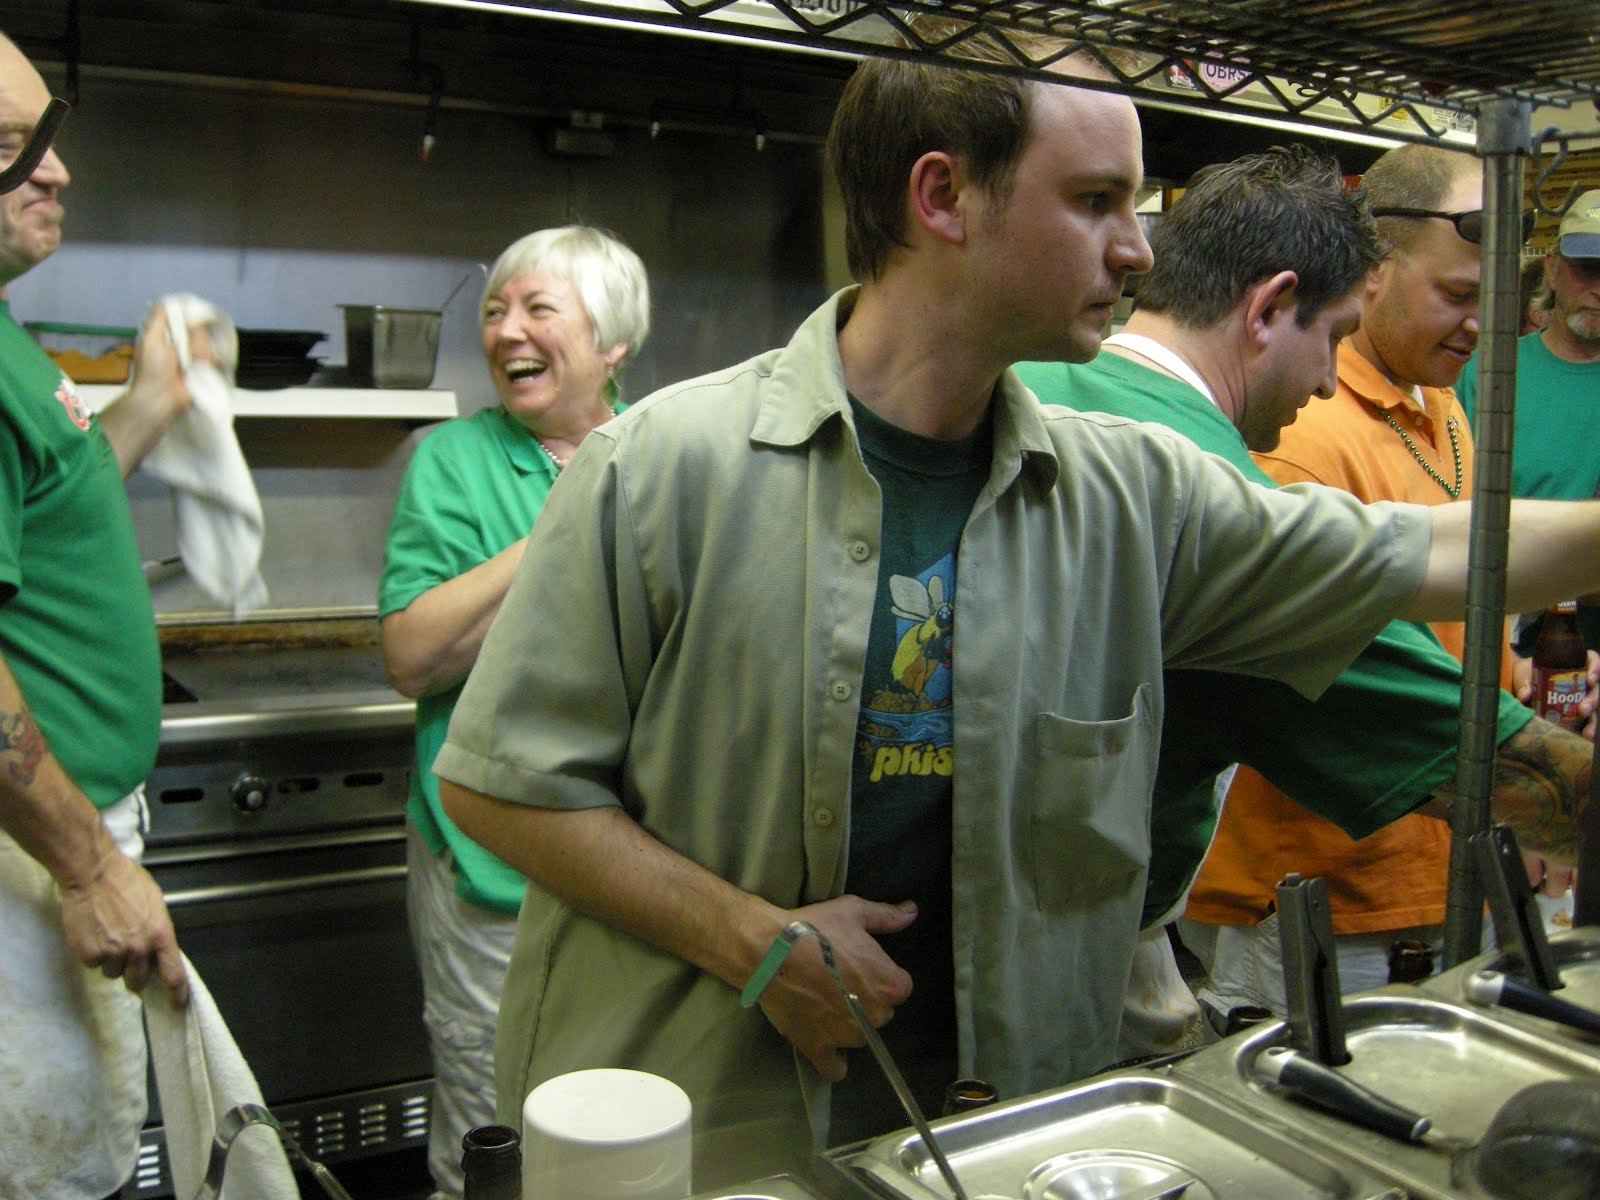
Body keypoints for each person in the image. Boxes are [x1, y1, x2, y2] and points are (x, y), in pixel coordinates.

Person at [433, 51, 1600, 1188]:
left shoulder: (1130, 493)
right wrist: (750, 940)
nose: (1138, 249)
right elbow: (503, 783)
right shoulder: (663, 468)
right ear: (942, 197)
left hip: (1008, 1134)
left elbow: (1437, 550)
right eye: (1095, 203)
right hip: (710, 1133)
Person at [1015, 146, 1592, 1038]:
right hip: (1071, 956)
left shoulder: (1036, 378)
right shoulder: (1224, 489)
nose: (1328, 376)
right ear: (1271, 307)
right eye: (1332, 336)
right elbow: (1495, 757)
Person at [1172, 143, 1531, 1019]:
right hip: (1328, 908)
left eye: (1495, 301)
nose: (1479, 325)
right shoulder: (1300, 420)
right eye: (1455, 295)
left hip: (1450, 875)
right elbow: (1348, 686)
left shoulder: (1440, 405)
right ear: (1374, 271)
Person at [379, 225, 650, 1200]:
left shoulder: (664, 450)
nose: (506, 331)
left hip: (640, 867)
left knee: (624, 1123)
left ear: (613, 343)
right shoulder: (454, 461)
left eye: (538, 308)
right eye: (495, 311)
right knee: (497, 1137)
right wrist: (562, 523)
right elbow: (412, 655)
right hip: (493, 868)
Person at [0, 29, 201, 1200]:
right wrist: (86, 870)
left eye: (50, 136)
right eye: (12, 148)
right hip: (28, 859)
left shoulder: (10, 346)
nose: (57, 171)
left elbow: (40, 509)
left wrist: (148, 411)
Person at [1460, 189, 1600, 656]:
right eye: (1588, 269)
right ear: (1555, 270)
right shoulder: (1486, 372)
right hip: (1495, 618)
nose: (1599, 288)